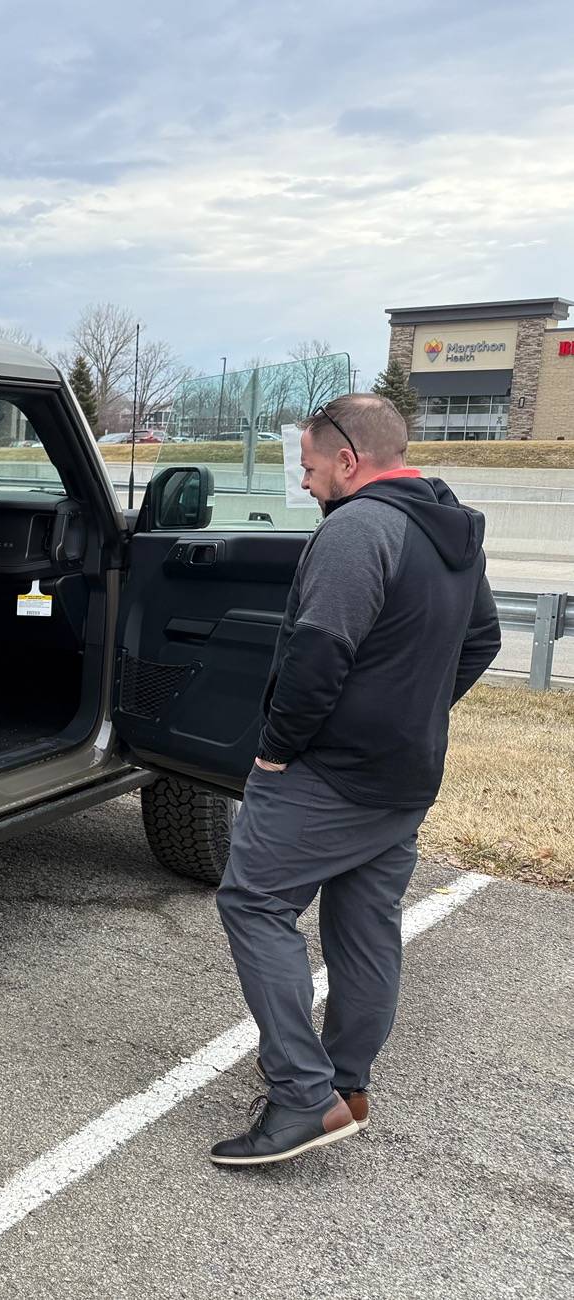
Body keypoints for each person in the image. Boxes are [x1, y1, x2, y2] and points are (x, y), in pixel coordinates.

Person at [210, 394, 500, 1166]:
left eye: (307, 468)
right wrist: (411, 711)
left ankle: (304, 1098)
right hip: (405, 774)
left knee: (253, 903)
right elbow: (482, 639)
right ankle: (345, 1085)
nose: (303, 483)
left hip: (327, 774)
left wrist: (274, 751)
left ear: (348, 460)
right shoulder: (451, 528)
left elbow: (317, 654)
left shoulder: (358, 529)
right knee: (364, 925)